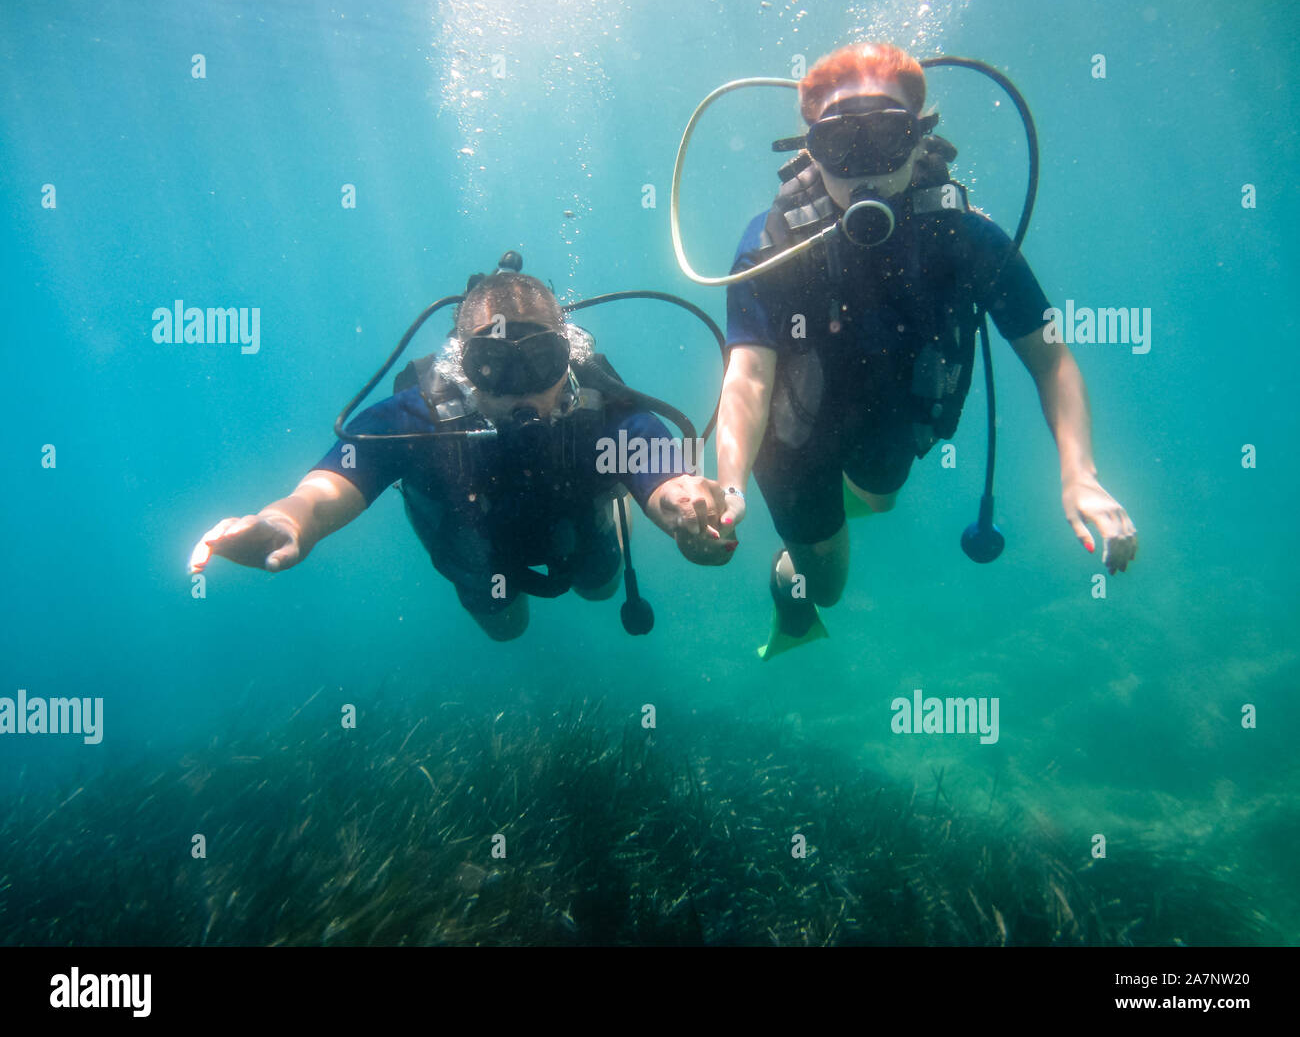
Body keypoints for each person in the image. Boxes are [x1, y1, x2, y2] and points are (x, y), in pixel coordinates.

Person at [708, 42, 1138, 658]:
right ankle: (792, 585)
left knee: (880, 501)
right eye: (839, 145)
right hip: (790, 443)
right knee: (826, 588)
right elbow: (748, 377)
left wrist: (1081, 475)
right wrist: (730, 484)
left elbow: (1052, 358)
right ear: (810, 150)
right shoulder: (774, 243)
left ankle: (822, 530)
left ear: (918, 138)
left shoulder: (966, 237)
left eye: (886, 137)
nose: (864, 169)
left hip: (890, 419)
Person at [189, 269, 732, 640]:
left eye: (540, 361)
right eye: (494, 366)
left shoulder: (600, 411)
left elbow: (663, 472)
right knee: (506, 629)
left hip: (576, 527)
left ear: (567, 358)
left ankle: (614, 527)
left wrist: (681, 503)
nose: (520, 390)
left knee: (601, 587)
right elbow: (330, 484)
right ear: (462, 364)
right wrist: (290, 522)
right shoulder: (414, 418)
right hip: (473, 541)